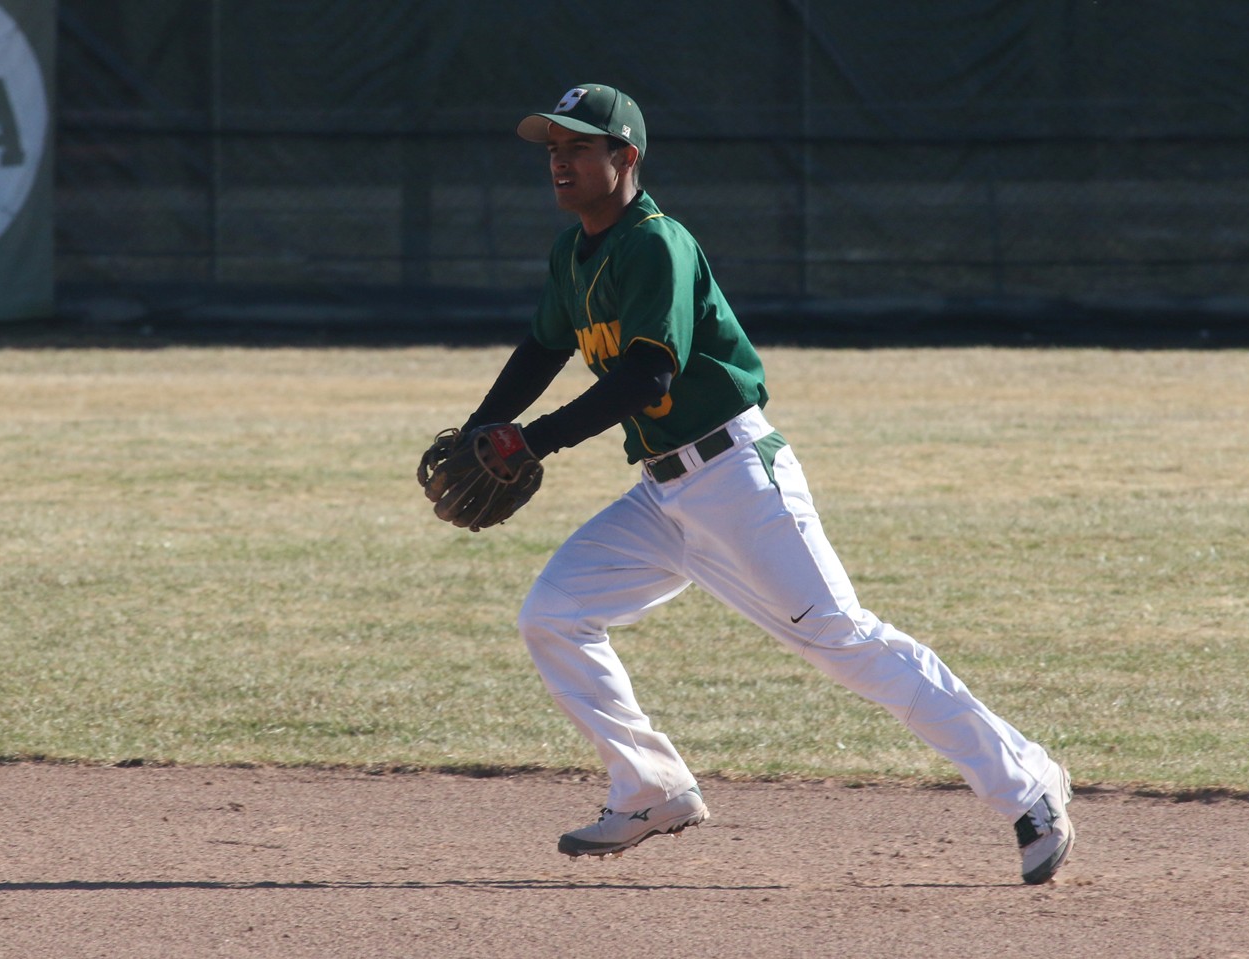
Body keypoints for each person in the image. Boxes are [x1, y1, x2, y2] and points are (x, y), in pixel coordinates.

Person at [433, 83, 1075, 885]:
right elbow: (541, 347)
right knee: (555, 614)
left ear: (625, 158)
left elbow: (647, 373)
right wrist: (481, 426)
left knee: (847, 642)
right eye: (553, 150)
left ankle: (1029, 784)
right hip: (664, 497)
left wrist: (534, 439)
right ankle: (651, 786)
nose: (559, 163)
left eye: (578, 148)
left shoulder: (655, 244)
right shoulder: (573, 253)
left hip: (738, 479)